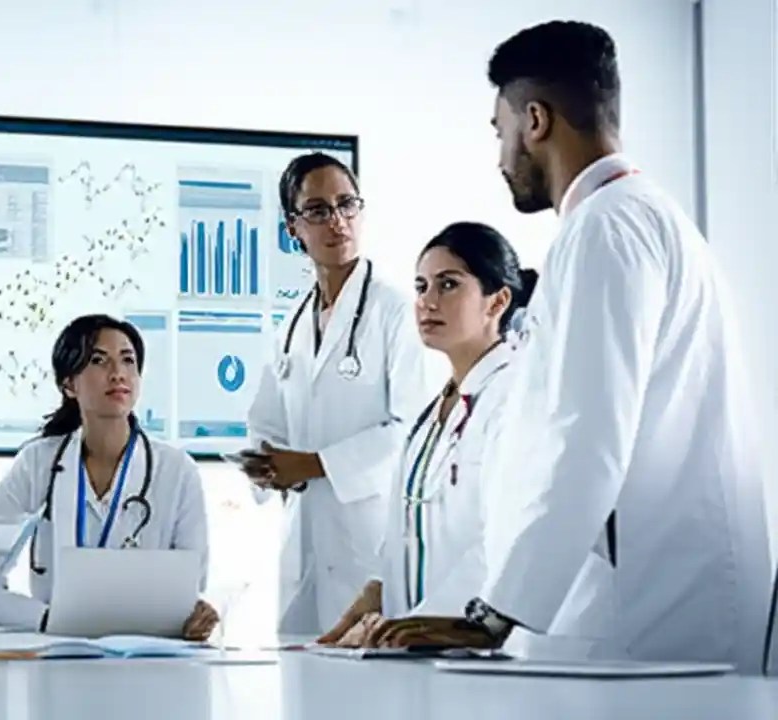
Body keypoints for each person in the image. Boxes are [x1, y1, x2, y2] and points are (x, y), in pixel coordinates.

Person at [359, 20, 772, 673]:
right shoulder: (646, 217)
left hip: (644, 613)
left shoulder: (606, 227)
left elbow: (587, 436)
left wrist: (493, 615)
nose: (500, 157)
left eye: (499, 131)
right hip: (664, 597)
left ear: (535, 121)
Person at [315, 222, 535, 647]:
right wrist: (379, 590)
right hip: (418, 645)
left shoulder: (514, 399)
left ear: (498, 301)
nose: (427, 302)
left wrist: (435, 619)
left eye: (448, 285)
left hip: (475, 641)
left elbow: (508, 533)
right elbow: (409, 526)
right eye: (421, 287)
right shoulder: (434, 412)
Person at [242, 152, 431, 634]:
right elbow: (267, 419)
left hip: (367, 544)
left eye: (347, 204)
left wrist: (314, 464)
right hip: (303, 541)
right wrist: (265, 463)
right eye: (318, 210)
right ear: (293, 227)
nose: (337, 221)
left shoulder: (395, 312)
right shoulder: (291, 325)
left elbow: (411, 430)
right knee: (299, 669)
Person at [0, 314, 218, 640]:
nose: (118, 373)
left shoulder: (178, 471)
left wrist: (199, 616)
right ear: (69, 384)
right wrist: (49, 619)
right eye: (99, 360)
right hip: (57, 650)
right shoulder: (37, 464)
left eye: (128, 360)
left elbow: (192, 587)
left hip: (150, 653)